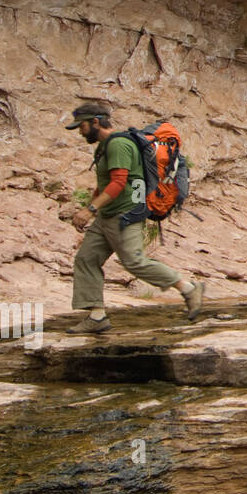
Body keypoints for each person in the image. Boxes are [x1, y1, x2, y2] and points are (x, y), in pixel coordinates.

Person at [66, 103, 205, 333]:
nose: (80, 132)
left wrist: (89, 210)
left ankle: (189, 289)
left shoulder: (119, 144)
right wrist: (95, 206)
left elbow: (119, 183)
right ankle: (97, 316)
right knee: (86, 258)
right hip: (108, 214)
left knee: (134, 261)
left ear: (96, 122)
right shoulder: (104, 146)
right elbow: (105, 183)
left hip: (125, 214)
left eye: (81, 126)